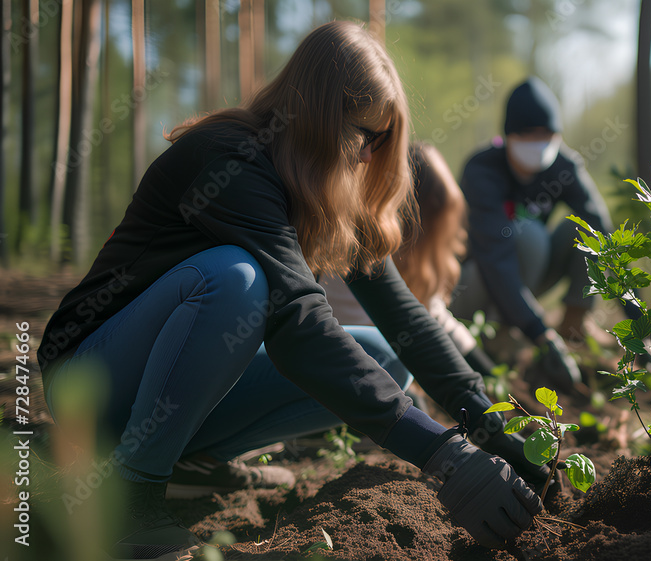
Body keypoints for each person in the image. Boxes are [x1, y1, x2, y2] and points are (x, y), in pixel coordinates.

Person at [38, 22, 541, 561]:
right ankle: (132, 499)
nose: (370, 156)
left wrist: (486, 424)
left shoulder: (326, 188)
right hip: (91, 378)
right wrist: (441, 454)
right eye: (364, 135)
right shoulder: (230, 159)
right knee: (236, 281)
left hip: (155, 390)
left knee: (386, 357)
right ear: (321, 118)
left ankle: (187, 463)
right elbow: (299, 324)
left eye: (382, 140)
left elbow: (406, 320)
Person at [450, 77, 612, 392]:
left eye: (547, 135)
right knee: (529, 236)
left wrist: (639, 325)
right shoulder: (482, 170)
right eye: (528, 135)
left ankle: (575, 324)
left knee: (585, 229)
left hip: (525, 280)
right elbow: (494, 258)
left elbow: (600, 225)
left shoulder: (564, 166)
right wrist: (539, 332)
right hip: (476, 283)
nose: (538, 143)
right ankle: (501, 333)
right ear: (509, 135)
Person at [321, 141, 500, 385]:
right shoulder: (354, 257)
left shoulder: (413, 260)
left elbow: (433, 315)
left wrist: (491, 374)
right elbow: (363, 334)